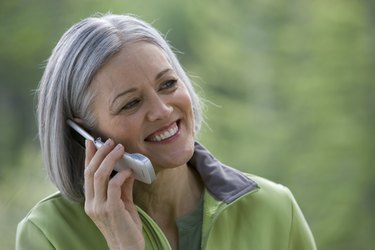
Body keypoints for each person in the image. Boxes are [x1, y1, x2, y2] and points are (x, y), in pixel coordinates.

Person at [16, 13, 316, 250]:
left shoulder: (274, 210)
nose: (162, 110)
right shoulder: (49, 234)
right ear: (83, 132)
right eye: (131, 103)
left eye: (168, 84)